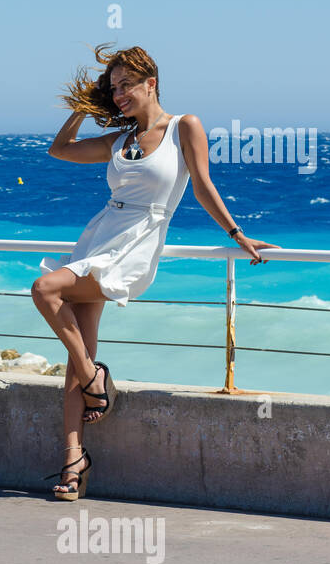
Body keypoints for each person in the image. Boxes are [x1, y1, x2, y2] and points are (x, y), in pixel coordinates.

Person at [32, 43, 279, 500]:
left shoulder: (184, 126)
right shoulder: (119, 140)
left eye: (127, 84)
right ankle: (74, 458)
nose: (119, 94)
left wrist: (237, 234)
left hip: (136, 246)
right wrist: (85, 105)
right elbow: (59, 149)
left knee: (45, 289)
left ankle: (94, 378)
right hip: (98, 238)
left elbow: (202, 185)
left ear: (152, 83)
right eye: (113, 88)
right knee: (76, 353)